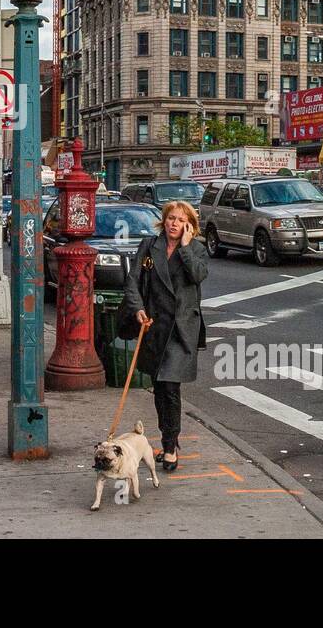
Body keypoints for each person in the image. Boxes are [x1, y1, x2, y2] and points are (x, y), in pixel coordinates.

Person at [116, 199, 209, 473]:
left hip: (180, 330)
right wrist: (138, 309)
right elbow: (132, 280)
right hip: (154, 326)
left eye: (181, 220)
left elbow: (198, 275)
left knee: (170, 387)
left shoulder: (197, 250)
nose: (174, 223)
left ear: (189, 226)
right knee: (159, 387)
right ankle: (167, 439)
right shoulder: (149, 246)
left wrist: (185, 248)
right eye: (171, 218)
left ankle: (170, 447)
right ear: (163, 220)